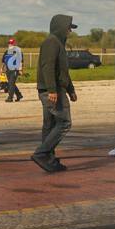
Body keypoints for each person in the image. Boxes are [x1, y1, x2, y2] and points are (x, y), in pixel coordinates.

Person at [33, 14, 78, 173]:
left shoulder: (59, 43)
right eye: (68, 28)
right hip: (52, 91)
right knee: (65, 123)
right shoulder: (51, 42)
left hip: (55, 89)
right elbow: (48, 67)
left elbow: (63, 72)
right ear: (60, 27)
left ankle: (49, 159)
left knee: (50, 125)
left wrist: (71, 90)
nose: (69, 32)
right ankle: (42, 153)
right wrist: (52, 89)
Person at [3, 38, 24, 102]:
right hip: (8, 70)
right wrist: (2, 68)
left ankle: (10, 97)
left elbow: (21, 61)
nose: (10, 44)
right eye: (9, 43)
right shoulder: (7, 51)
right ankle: (19, 95)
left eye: (12, 43)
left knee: (11, 83)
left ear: (15, 44)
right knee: (11, 83)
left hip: (15, 69)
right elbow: (4, 60)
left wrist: (20, 70)